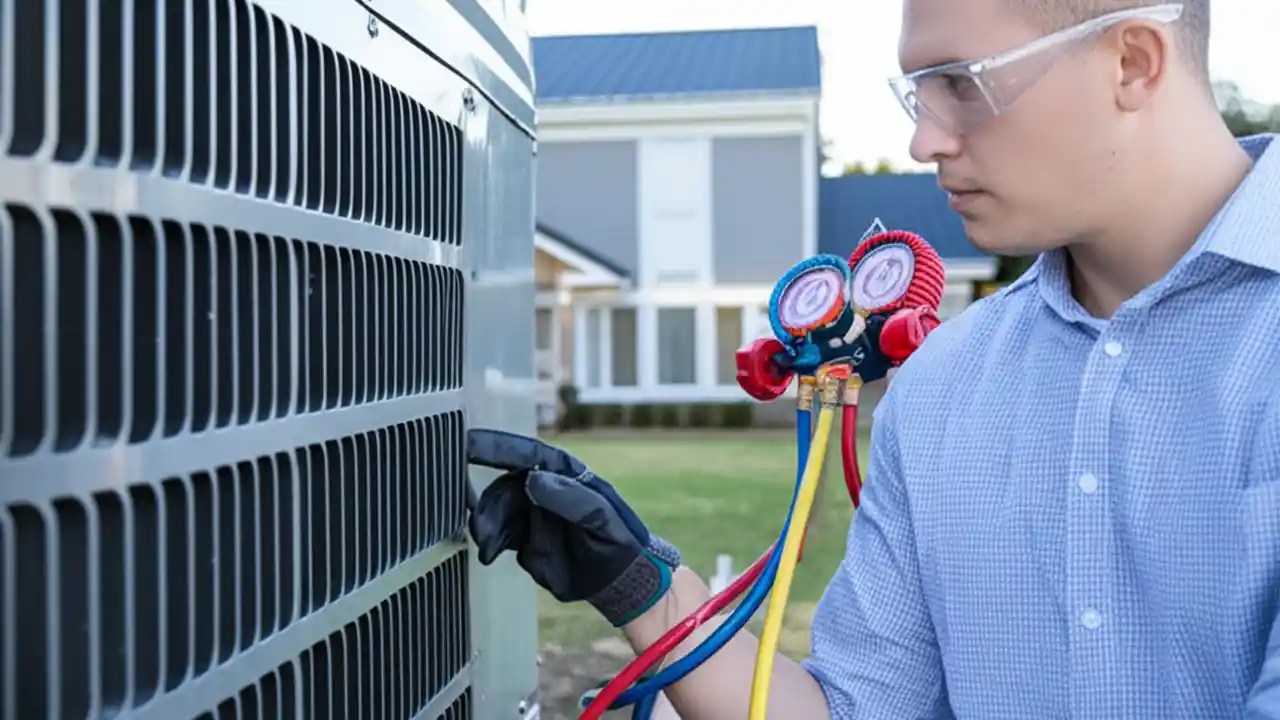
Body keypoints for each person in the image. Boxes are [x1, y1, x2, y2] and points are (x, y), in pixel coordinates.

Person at [467, 0, 1280, 716]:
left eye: (960, 81)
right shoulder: (941, 384)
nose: (924, 139)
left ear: (1132, 61)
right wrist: (642, 585)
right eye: (917, 93)